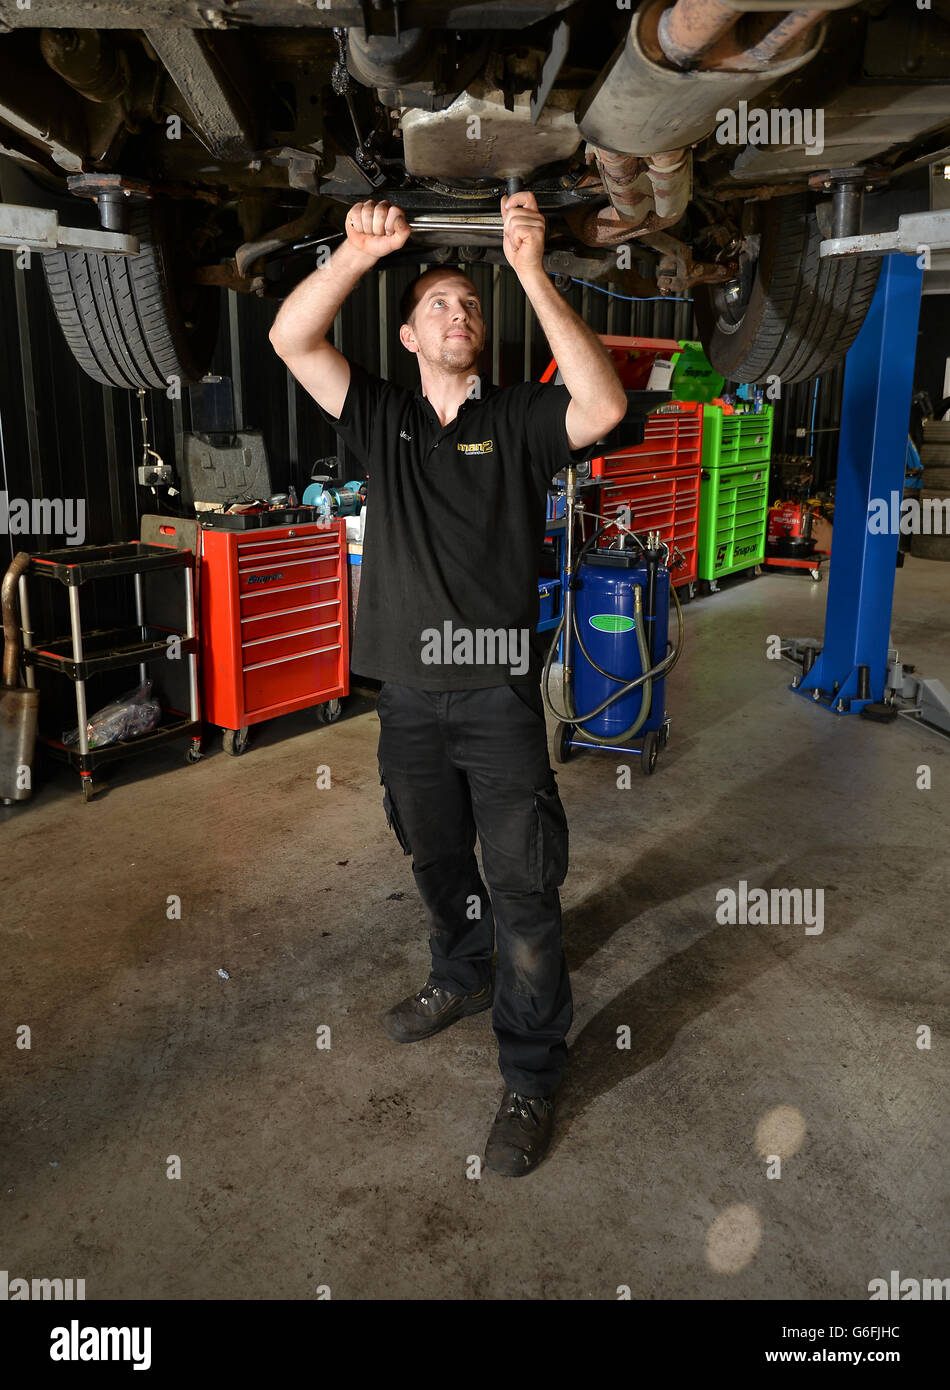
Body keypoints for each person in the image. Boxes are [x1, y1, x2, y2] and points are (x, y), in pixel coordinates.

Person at [269, 192, 627, 1175]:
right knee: (435, 862)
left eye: (469, 303)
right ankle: (458, 975)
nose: (456, 313)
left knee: (522, 883)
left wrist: (529, 272)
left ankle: (529, 1072)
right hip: (409, 701)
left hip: (497, 696)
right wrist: (351, 253)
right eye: (437, 302)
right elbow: (291, 334)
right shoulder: (378, 413)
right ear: (406, 331)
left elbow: (602, 407)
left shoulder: (516, 417)